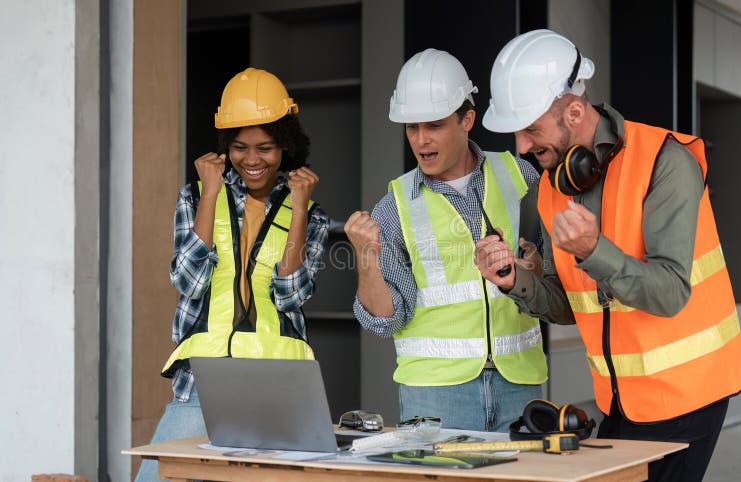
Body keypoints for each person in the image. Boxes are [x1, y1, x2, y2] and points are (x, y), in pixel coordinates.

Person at [474, 30, 741, 481]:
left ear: (575, 111)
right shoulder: (551, 188)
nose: (522, 146)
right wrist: (513, 280)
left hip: (689, 392)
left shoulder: (665, 163)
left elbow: (669, 293)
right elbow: (575, 306)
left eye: (531, 129)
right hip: (622, 400)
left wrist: (594, 250)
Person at [135, 67, 330, 481]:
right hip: (202, 382)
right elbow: (188, 282)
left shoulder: (310, 215)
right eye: (240, 147)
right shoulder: (196, 196)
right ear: (226, 147)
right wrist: (209, 193)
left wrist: (297, 210)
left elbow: (291, 294)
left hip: (279, 385)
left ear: (285, 147)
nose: (252, 159)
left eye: (266, 147)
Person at [344, 48, 547, 433]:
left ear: (466, 119)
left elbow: (554, 278)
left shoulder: (520, 176)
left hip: (520, 382)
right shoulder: (394, 207)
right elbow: (387, 321)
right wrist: (366, 259)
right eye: (411, 127)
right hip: (435, 394)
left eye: (434, 125)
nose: (421, 141)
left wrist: (532, 267)